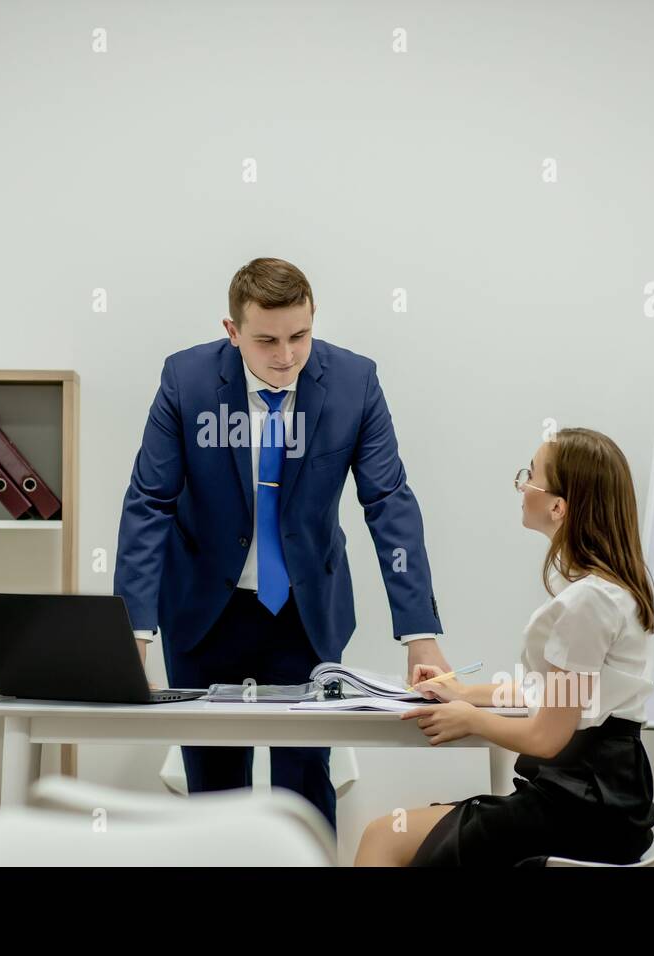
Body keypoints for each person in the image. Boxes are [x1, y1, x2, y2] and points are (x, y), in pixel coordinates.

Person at [114, 257, 449, 830]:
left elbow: (388, 502)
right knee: (216, 801)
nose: (287, 355)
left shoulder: (354, 382)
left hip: (304, 614)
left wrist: (421, 636)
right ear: (232, 331)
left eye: (300, 335)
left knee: (303, 793)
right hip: (202, 615)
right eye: (266, 340)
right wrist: (133, 634)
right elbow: (150, 503)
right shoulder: (186, 380)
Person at [354, 427, 654, 865]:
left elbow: (547, 736)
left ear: (559, 506)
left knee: (384, 837)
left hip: (578, 806)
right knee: (391, 834)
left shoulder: (587, 603)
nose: (521, 486)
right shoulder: (609, 591)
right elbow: (556, 700)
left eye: (530, 476)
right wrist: (461, 693)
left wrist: (470, 719)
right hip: (599, 800)